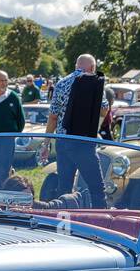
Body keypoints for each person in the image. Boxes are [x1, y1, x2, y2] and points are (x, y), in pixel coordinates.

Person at [42, 53, 106, 207]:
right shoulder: (95, 82)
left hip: (63, 141)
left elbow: (53, 117)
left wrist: (46, 143)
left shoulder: (62, 83)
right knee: (96, 188)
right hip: (84, 141)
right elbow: (104, 109)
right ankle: (100, 222)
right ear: (92, 67)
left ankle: (64, 218)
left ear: (76, 66)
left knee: (64, 187)